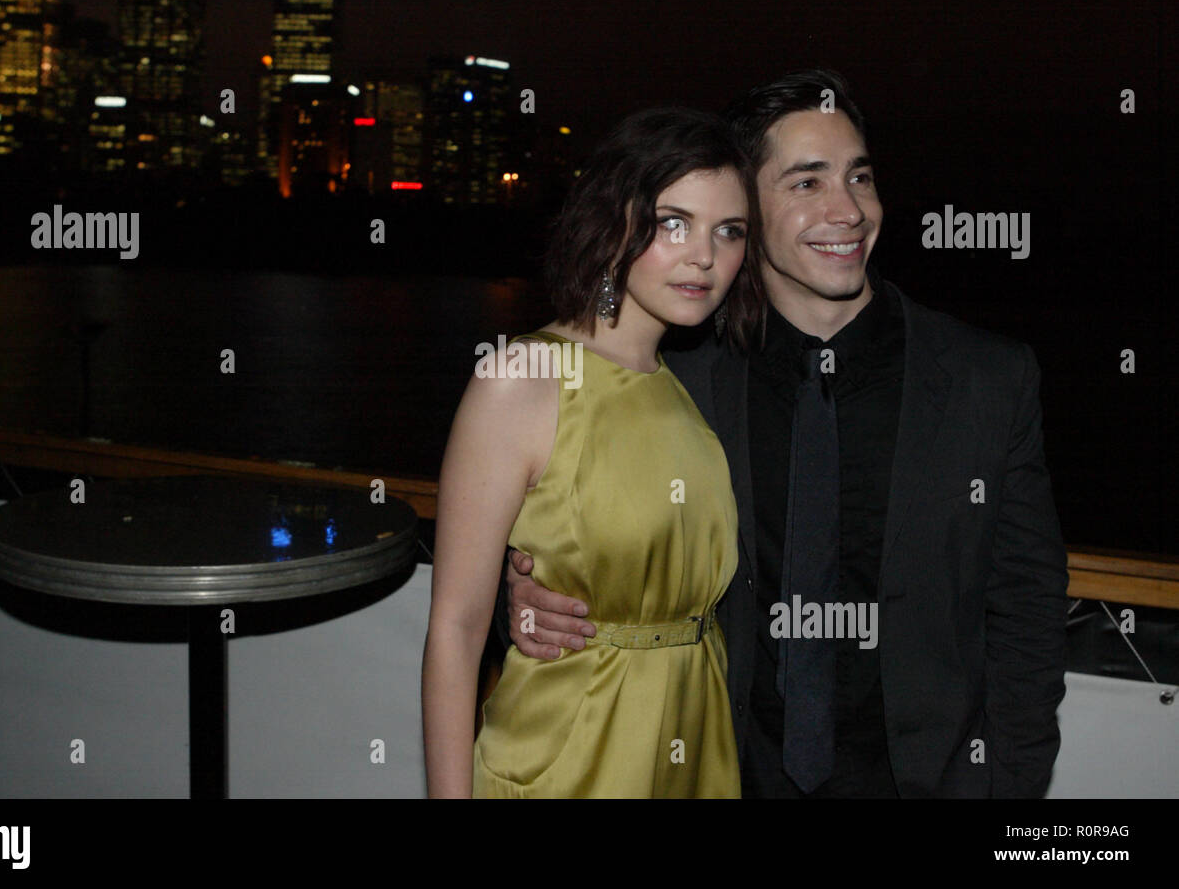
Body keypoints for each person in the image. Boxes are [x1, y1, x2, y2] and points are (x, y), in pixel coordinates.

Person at [505, 70, 1069, 798]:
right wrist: (521, 597)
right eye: (807, 183)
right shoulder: (677, 379)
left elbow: (1027, 603)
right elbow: (569, 528)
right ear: (745, 208)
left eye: (858, 178)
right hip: (726, 773)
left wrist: (1008, 789)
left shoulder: (986, 379)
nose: (848, 210)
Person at [423, 105, 762, 797]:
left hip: (698, 750)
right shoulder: (520, 378)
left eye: (728, 231)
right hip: (568, 754)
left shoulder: (689, 390)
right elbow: (456, 628)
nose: (705, 254)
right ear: (614, 222)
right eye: (675, 224)